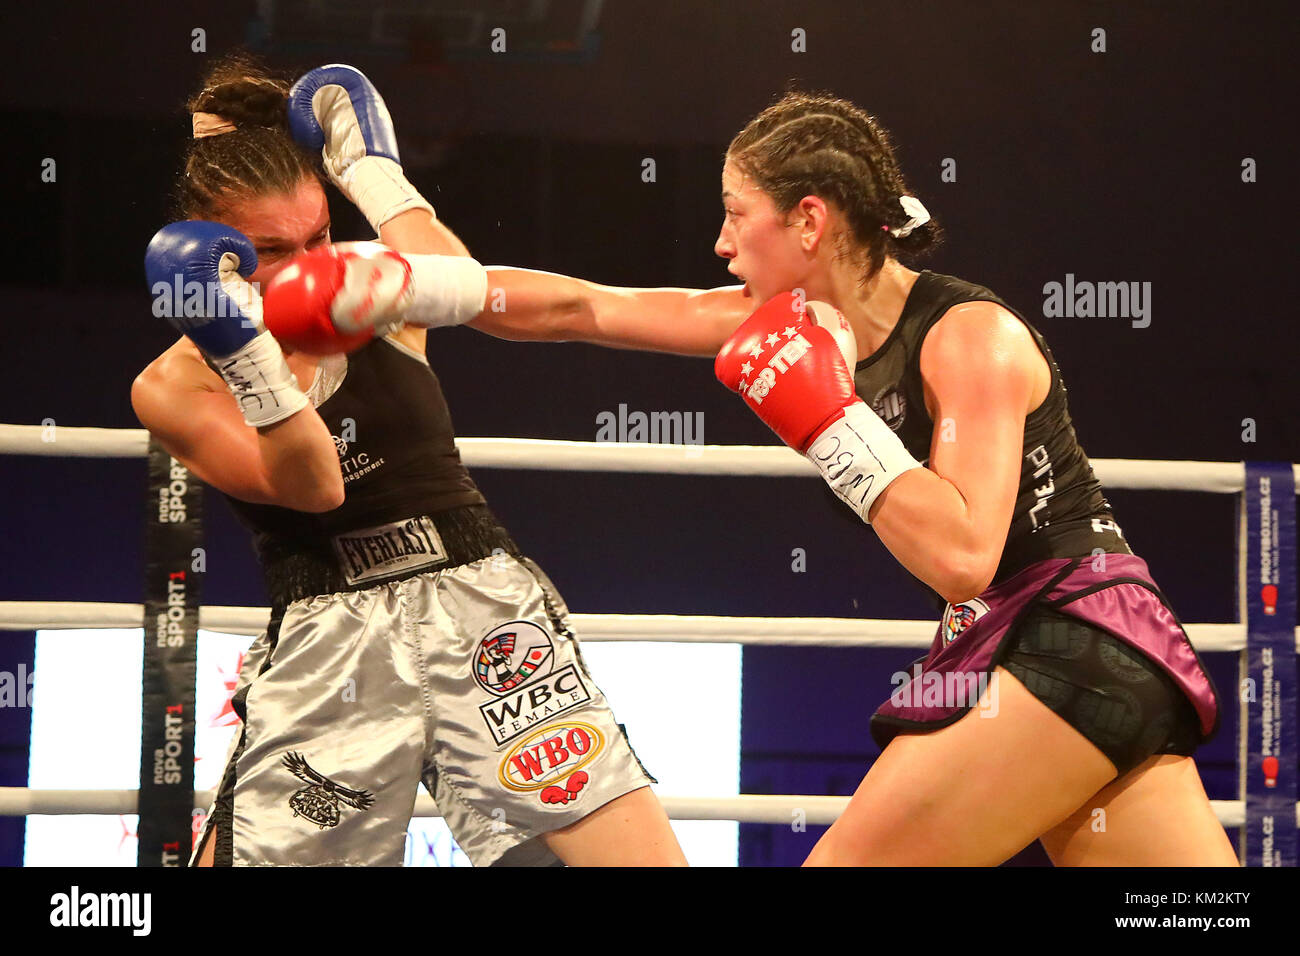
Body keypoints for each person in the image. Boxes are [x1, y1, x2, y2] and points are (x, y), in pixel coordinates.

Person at [292, 91, 1236, 866]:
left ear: (810, 221)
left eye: (738, 215)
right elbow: (577, 308)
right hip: (1081, 663)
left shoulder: (970, 338)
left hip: (1070, 644)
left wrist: (829, 421)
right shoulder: (784, 322)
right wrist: (406, 270)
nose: (720, 242)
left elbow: (961, 556)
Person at [131, 54, 685, 867]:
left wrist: (376, 178)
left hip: (482, 606)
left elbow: (472, 282)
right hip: (329, 638)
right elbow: (314, 483)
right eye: (270, 250)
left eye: (319, 237)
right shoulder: (174, 383)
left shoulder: (370, 291)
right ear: (214, 256)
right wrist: (244, 345)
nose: (307, 266)